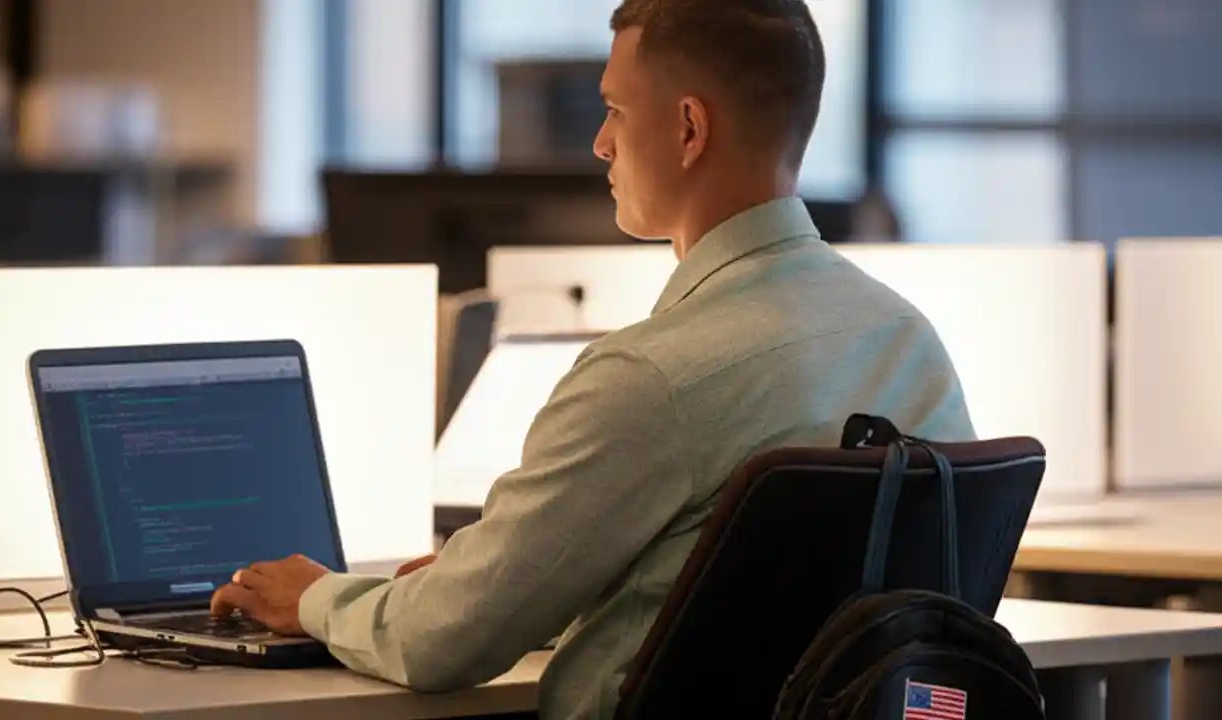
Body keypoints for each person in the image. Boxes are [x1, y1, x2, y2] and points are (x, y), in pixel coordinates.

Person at [210, 1, 975, 718]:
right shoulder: (907, 338)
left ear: (687, 130)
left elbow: (443, 640)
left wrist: (315, 598)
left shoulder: (651, 378)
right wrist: (508, 588)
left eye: (614, 110)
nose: (600, 144)